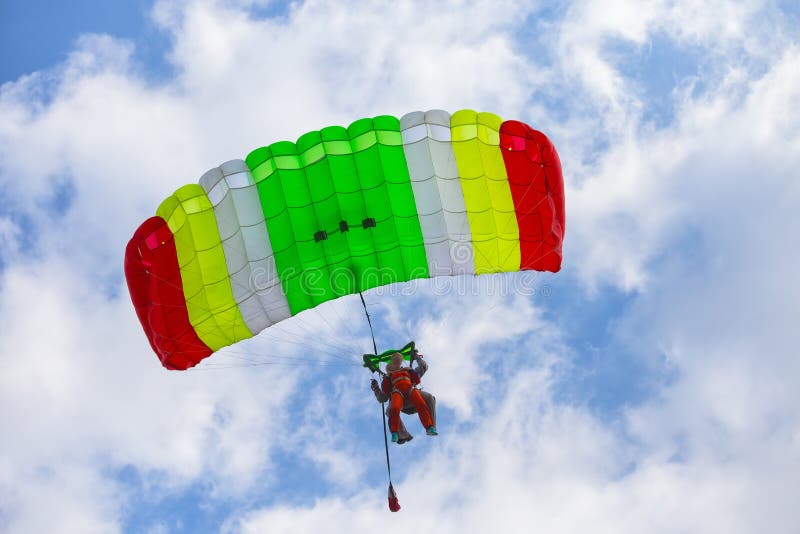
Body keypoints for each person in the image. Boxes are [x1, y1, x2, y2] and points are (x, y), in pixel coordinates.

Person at [371, 350, 437, 443]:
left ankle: (430, 427)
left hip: (413, 395)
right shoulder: (388, 379)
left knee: (430, 397)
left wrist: (416, 357)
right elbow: (382, 398)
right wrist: (376, 388)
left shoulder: (408, 372)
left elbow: (423, 367)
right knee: (389, 411)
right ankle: (401, 435)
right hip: (398, 400)